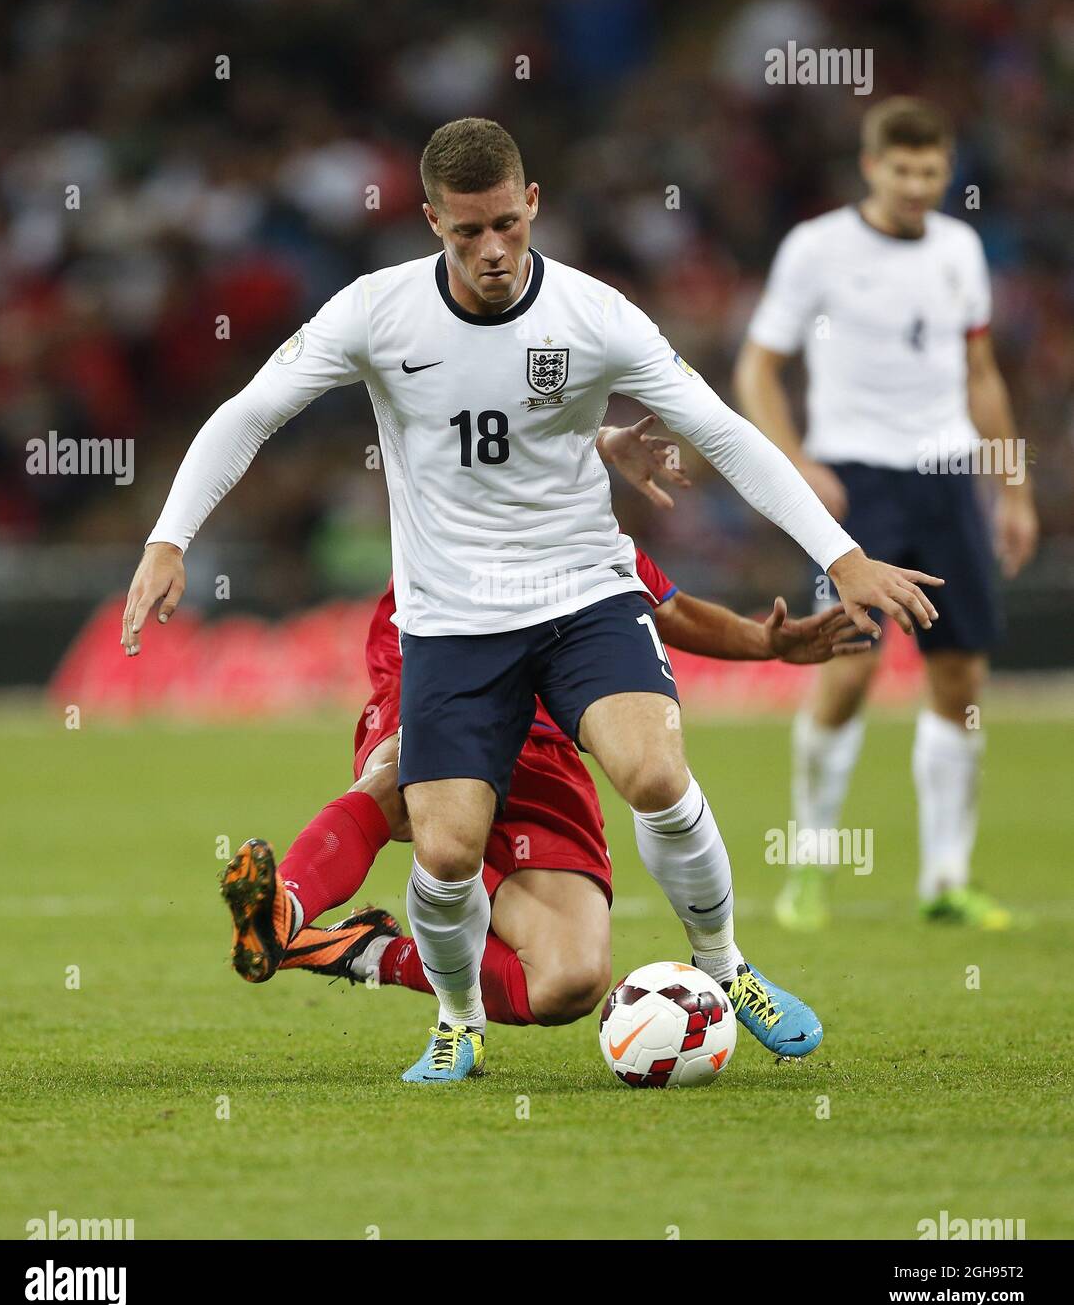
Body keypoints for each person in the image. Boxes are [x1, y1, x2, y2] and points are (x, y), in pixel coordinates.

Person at [123, 117, 940, 1082]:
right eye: (466, 232)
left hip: (583, 595)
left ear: (533, 205)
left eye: (506, 224)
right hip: (452, 624)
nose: (492, 250)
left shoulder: (597, 318)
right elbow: (249, 412)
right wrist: (169, 538)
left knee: (652, 773)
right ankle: (458, 1018)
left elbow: (722, 434)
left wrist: (839, 554)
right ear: (431, 221)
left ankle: (724, 967)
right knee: (446, 846)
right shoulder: (376, 313)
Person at [220, 541, 865, 1080]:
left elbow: (664, 606)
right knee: (403, 779)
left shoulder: (576, 509)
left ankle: (366, 951)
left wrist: (764, 642)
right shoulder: (446, 465)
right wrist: (173, 538)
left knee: (569, 982)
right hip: (441, 671)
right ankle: (285, 907)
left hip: (543, 743)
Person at [734, 97, 1038, 932]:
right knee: (850, 666)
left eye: (930, 171)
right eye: (900, 169)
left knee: (959, 675)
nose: (915, 185)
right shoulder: (816, 248)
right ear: (871, 167)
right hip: (856, 482)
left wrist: (1009, 486)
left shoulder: (959, 249)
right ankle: (810, 867)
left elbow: (980, 375)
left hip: (945, 479)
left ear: (946, 172)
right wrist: (797, 465)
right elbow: (757, 368)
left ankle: (945, 877)